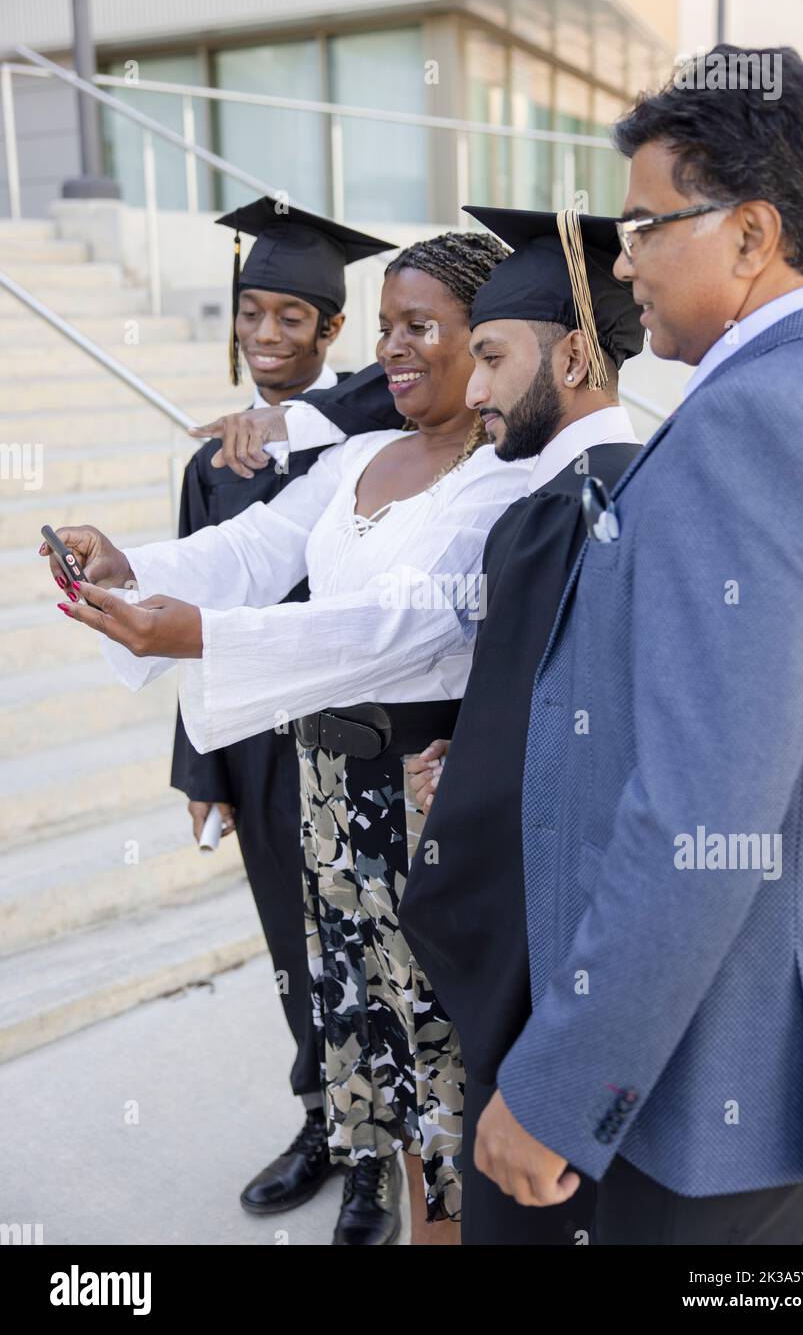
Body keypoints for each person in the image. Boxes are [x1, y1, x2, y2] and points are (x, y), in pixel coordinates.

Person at [42, 229, 533, 1246]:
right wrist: (128, 562)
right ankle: (383, 1199)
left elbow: (402, 623)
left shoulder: (505, 478)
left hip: (429, 798)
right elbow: (255, 546)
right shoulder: (358, 452)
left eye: (421, 327)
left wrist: (202, 633)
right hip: (329, 794)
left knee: (440, 1065)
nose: (394, 348)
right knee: (368, 1040)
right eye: (388, 326)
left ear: (484, 339)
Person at [468, 45, 803, 1245]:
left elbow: (711, 808)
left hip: (707, 1090)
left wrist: (561, 1087)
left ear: (752, 235)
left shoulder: (747, 423)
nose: (624, 255)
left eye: (648, 223)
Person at [398, 204, 644, 1245]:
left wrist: (460, 796)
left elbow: (518, 793)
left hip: (552, 974)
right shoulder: (650, 479)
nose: (479, 387)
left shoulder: (551, 514)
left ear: (577, 352)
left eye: (492, 355)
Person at [168, 197, 402, 1221]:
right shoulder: (210, 466)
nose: (267, 335)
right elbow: (193, 616)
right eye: (251, 313)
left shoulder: (374, 432)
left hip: (357, 740)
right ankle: (322, 1120)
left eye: (291, 318)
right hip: (262, 750)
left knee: (370, 953)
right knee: (292, 952)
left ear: (332, 330)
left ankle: (378, 1157)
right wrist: (201, 767)